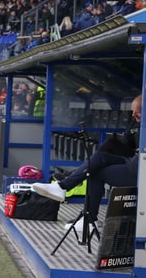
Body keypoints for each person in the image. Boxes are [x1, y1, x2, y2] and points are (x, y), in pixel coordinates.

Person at [32, 94, 142, 236]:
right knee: (99, 159)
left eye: (138, 111)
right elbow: (128, 143)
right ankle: (64, 188)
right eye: (132, 111)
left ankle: (70, 195)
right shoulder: (135, 123)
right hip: (133, 160)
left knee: (95, 172)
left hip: (140, 170)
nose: (134, 115)